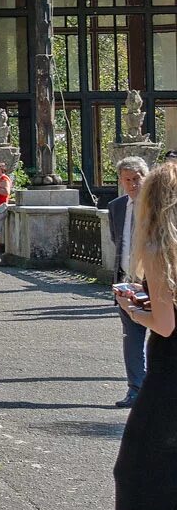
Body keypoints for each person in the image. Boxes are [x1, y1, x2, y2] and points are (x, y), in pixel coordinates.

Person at [113, 162, 177, 510]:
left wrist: (136, 312)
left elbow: (166, 325)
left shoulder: (160, 249)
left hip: (169, 374)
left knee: (136, 468)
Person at [113, 157, 152, 408]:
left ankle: (156, 391)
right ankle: (135, 389)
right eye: (127, 179)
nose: (132, 184)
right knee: (131, 337)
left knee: (163, 336)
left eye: (137, 178)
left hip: (155, 283)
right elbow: (118, 242)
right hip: (126, 282)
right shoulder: (116, 207)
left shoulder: (159, 206)